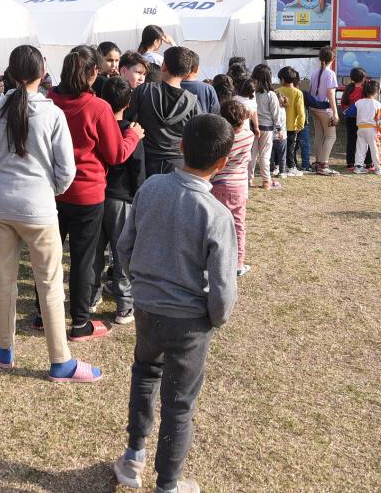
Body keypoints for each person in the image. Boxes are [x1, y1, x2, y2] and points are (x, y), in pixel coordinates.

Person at [113, 114, 239, 493]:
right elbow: (223, 286)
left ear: (181, 146)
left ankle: (133, 456)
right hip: (189, 321)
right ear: (223, 163)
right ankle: (167, 484)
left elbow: (124, 245)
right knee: (179, 403)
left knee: (145, 375)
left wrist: (139, 284)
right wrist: (215, 318)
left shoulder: (151, 188)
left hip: (148, 309)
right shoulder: (216, 213)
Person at [0, 44, 101, 383]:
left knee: (4, 281)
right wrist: (50, 191)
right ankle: (60, 360)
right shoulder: (51, 113)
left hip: (1, 206)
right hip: (40, 208)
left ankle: (5, 348)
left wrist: (2, 181)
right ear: (42, 73)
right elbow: (66, 169)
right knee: (49, 284)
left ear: (11, 73)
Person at [46, 46, 144, 340]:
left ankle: (43, 314)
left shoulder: (50, 101)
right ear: (91, 74)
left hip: (51, 191)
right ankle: (79, 322)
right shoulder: (97, 107)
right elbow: (116, 155)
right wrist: (133, 135)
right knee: (83, 259)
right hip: (86, 193)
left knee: (49, 257)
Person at [95, 75, 146, 324]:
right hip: (122, 199)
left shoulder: (96, 127)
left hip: (96, 196)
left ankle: (91, 297)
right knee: (122, 253)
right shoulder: (132, 133)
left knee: (94, 252)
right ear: (128, 102)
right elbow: (138, 171)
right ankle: (124, 306)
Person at [129, 47, 200, 176]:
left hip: (145, 161)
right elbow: (196, 136)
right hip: (178, 164)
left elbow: (129, 122)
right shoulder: (192, 102)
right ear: (188, 72)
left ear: (164, 66)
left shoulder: (144, 91)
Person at [212, 99, 254, 276]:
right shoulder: (248, 136)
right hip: (238, 186)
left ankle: (213, 259)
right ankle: (238, 263)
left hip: (217, 184)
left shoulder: (221, 139)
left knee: (214, 224)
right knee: (238, 225)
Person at [306, 46, 341, 176]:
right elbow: (331, 94)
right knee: (331, 136)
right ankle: (323, 164)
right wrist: (336, 113)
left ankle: (317, 162)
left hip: (314, 107)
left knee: (319, 135)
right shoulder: (330, 74)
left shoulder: (315, 72)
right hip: (325, 109)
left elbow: (309, 90)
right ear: (333, 58)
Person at [251, 64, 282, 188]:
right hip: (267, 129)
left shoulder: (252, 93)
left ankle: (249, 179)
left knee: (251, 155)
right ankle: (266, 181)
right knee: (265, 155)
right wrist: (279, 128)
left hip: (253, 127)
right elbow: (276, 114)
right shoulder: (271, 94)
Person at [275, 67, 306, 177]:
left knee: (278, 147)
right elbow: (301, 112)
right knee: (290, 149)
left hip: (278, 126)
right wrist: (300, 125)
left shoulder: (277, 91)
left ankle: (277, 166)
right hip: (292, 126)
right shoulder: (298, 93)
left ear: (282, 79)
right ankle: (291, 167)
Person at [352, 79, 381, 174]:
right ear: (377, 92)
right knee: (375, 148)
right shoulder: (378, 104)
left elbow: (348, 112)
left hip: (360, 128)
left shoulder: (358, 102)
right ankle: (378, 168)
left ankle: (358, 166)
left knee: (360, 147)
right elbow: (380, 120)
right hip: (372, 130)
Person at [341, 67, 367, 173]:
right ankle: (368, 163)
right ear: (363, 78)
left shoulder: (348, 88)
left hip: (350, 119)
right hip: (361, 119)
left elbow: (343, 103)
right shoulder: (364, 90)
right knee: (364, 142)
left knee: (351, 141)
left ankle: (350, 163)